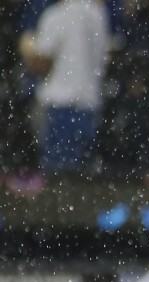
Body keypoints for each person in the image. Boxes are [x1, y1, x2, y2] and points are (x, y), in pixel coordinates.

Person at [18, 0, 111, 173]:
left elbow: (40, 63)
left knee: (58, 184)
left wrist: (27, 47)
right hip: (89, 107)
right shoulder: (97, 14)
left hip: (61, 110)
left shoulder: (57, 16)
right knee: (84, 184)